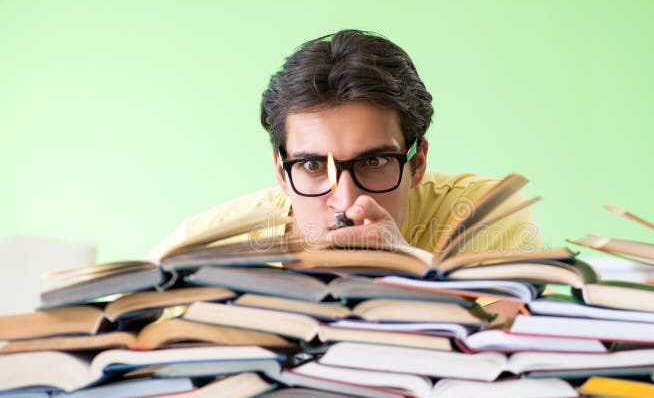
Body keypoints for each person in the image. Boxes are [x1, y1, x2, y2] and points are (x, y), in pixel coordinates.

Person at [149, 30, 542, 259]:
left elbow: (503, 354)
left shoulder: (481, 216)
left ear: (417, 163)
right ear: (280, 173)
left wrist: (406, 265)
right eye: (312, 166)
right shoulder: (208, 245)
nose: (347, 202)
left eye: (374, 161)